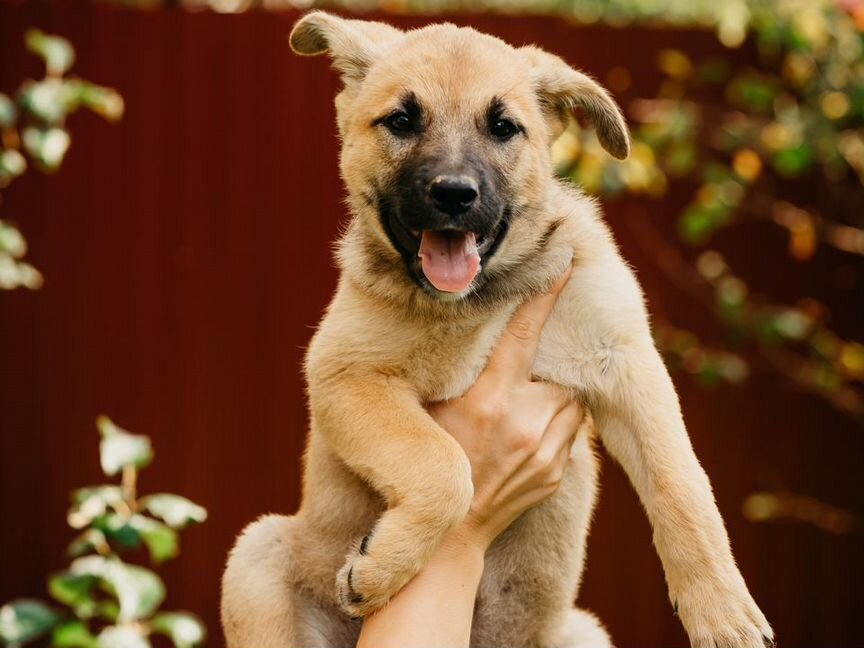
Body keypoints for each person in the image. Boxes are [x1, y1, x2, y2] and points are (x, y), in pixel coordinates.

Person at [357, 267, 586, 648]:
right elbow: (341, 377)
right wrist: (459, 529)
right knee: (260, 565)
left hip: (529, 625)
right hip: (354, 597)